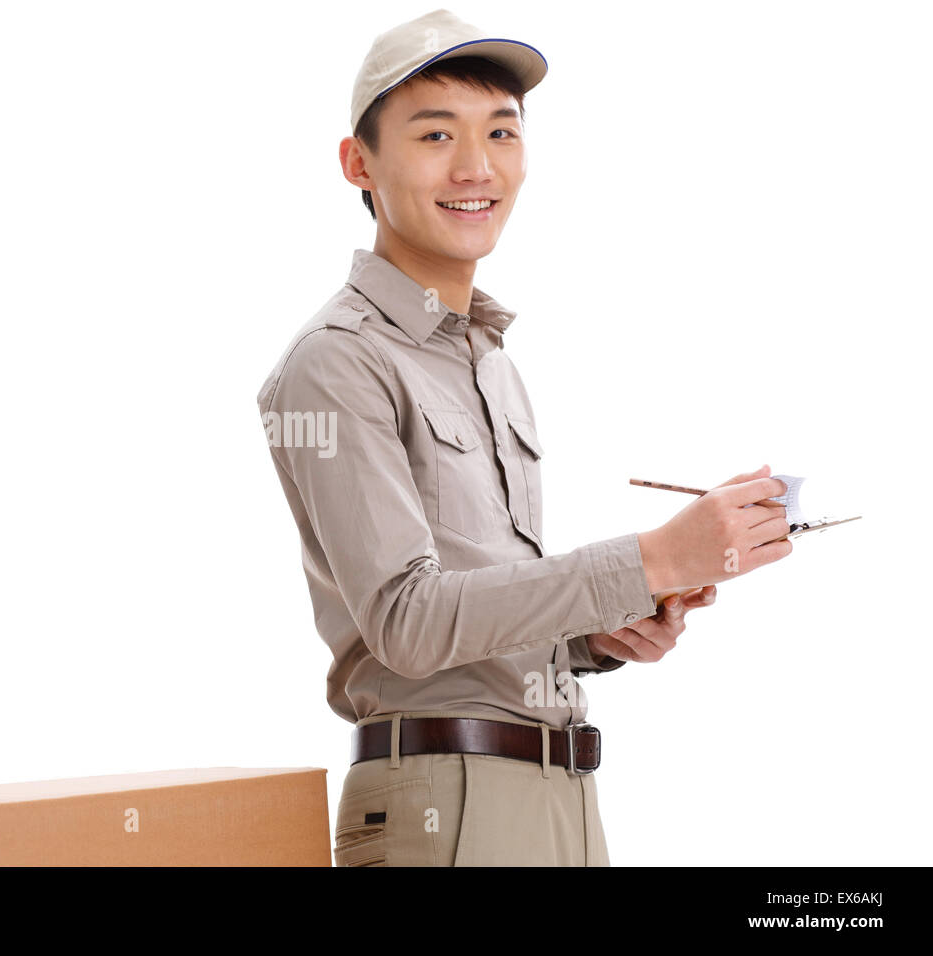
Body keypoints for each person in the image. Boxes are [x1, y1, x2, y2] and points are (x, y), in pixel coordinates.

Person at [255, 9, 793, 866]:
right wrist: (650, 560)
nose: (476, 167)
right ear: (359, 162)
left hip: (559, 797)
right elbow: (407, 622)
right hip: (447, 803)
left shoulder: (488, 360)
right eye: (436, 134)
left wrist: (595, 634)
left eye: (501, 132)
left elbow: (480, 606)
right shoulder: (335, 363)